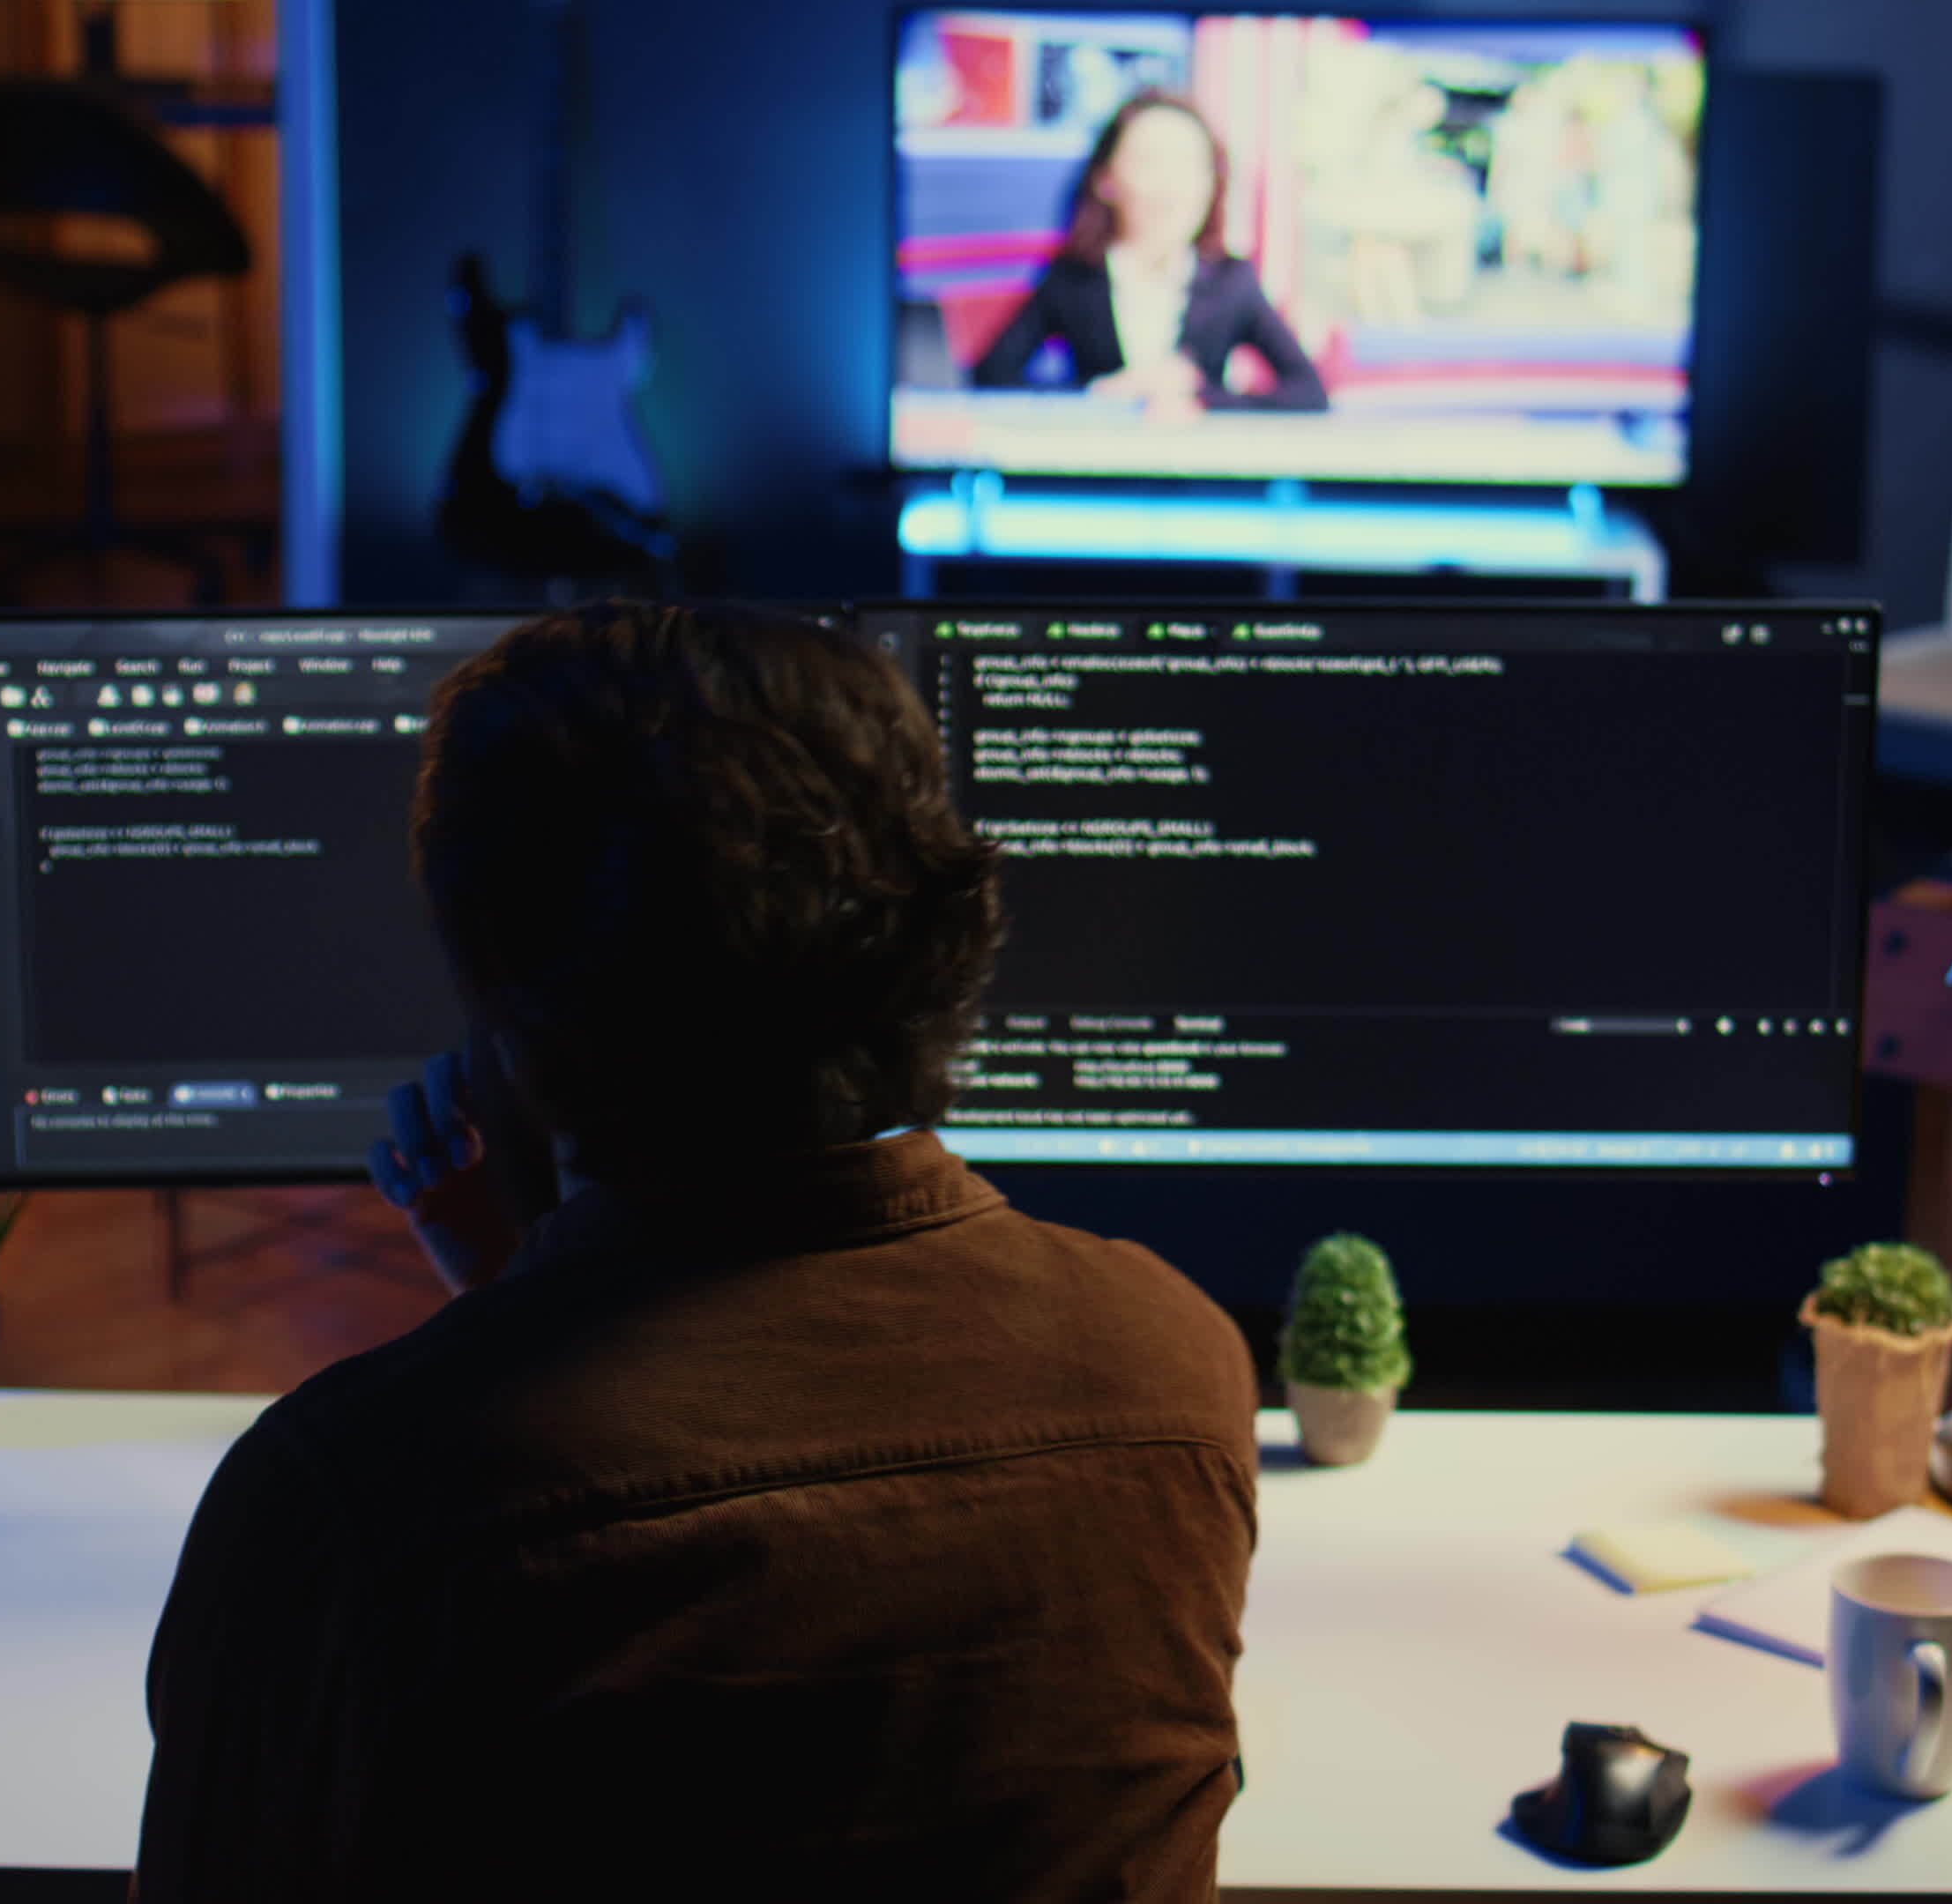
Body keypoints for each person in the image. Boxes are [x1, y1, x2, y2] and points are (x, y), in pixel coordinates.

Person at [134, 601, 1262, 1900]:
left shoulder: (348, 1505)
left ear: (508, 1020)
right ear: (944, 935)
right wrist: (533, 1297)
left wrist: (528, 1321)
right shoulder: (1172, 1366)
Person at [970, 91, 1329, 416]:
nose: (1169, 184)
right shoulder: (1073, 279)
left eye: (1188, 164)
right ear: (1105, 180)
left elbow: (1308, 394)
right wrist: (1100, 395)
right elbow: (990, 380)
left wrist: (1202, 400)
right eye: (1150, 161)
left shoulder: (1232, 281)